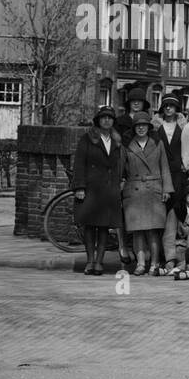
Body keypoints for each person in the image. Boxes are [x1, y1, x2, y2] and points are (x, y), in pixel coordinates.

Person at [72, 105, 125, 276]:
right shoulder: (87, 139)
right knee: (90, 226)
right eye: (103, 118)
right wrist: (79, 187)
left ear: (113, 121)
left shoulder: (117, 141)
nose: (106, 120)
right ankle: (90, 261)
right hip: (92, 188)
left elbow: (120, 163)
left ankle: (99, 262)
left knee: (104, 226)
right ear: (98, 121)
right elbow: (79, 163)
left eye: (110, 118)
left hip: (110, 189)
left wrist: (121, 179)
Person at [120, 112, 174, 276]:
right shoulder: (127, 145)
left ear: (149, 127)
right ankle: (141, 264)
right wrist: (120, 187)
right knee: (137, 231)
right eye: (138, 125)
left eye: (144, 125)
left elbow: (165, 167)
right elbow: (121, 169)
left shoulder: (158, 144)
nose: (141, 128)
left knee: (153, 231)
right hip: (134, 191)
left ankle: (155, 263)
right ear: (134, 128)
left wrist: (167, 189)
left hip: (154, 190)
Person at [153, 94, 187, 200]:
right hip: (160, 169)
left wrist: (185, 163)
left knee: (176, 200)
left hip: (178, 169)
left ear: (176, 108)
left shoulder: (183, 125)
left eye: (171, 106)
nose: (168, 108)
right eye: (165, 105)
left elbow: (187, 147)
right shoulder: (156, 125)